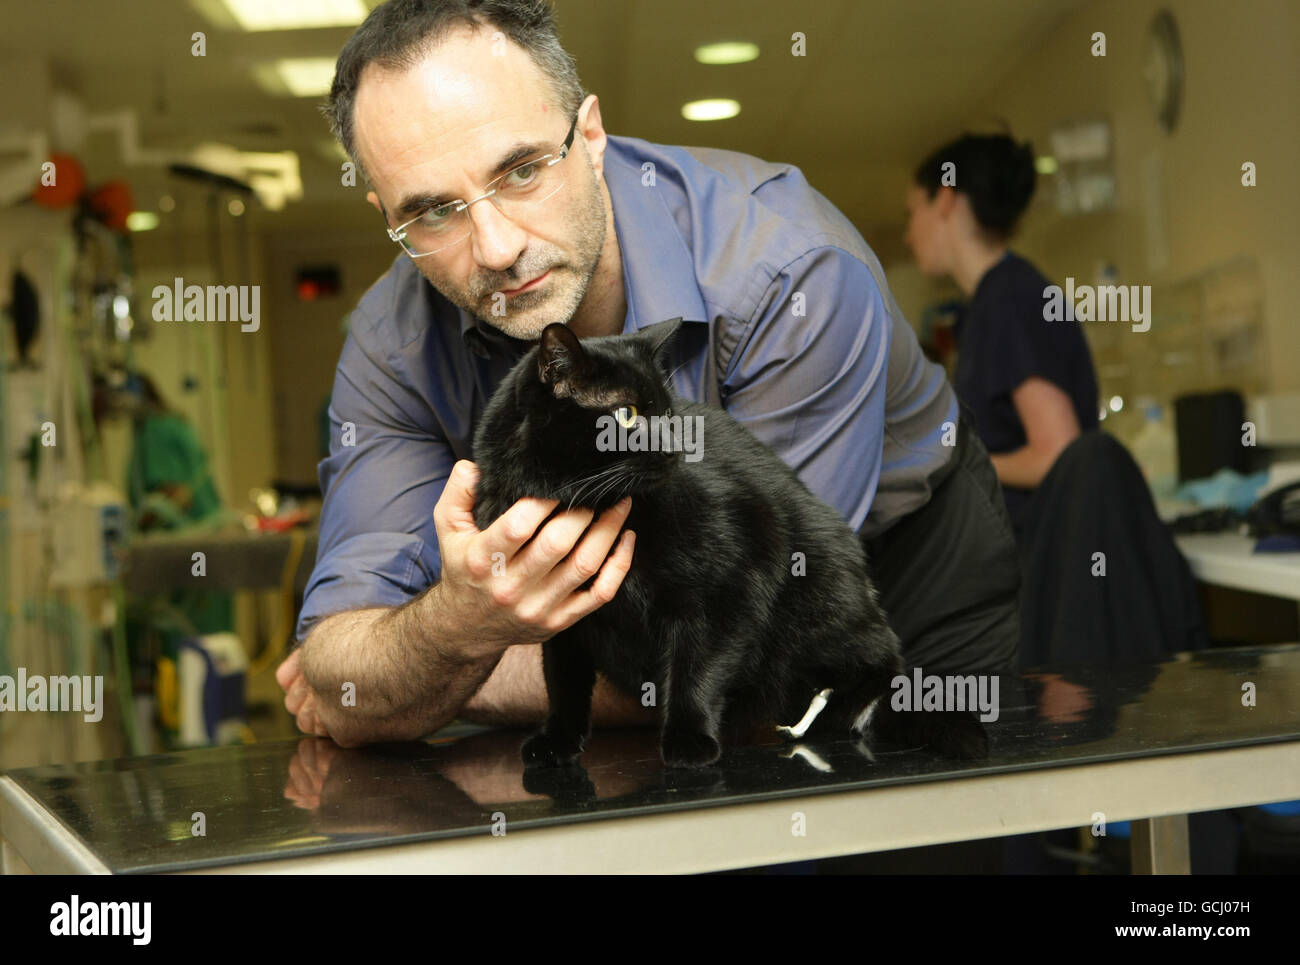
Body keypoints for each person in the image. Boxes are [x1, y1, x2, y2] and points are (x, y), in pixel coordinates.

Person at [278, 0, 1021, 746]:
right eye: (434, 212)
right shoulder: (393, 339)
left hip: (896, 586)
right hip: (627, 624)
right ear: (388, 217)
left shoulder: (793, 274)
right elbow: (345, 674)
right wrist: (452, 625)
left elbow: (756, 654)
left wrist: (446, 662)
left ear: (591, 136)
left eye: (524, 169)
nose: (498, 248)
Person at [904, 133, 1100, 536]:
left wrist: (948, 462)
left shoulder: (1011, 299)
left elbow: (1058, 453)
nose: (909, 234)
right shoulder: (994, 301)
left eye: (912, 212)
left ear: (944, 198)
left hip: (1042, 551)